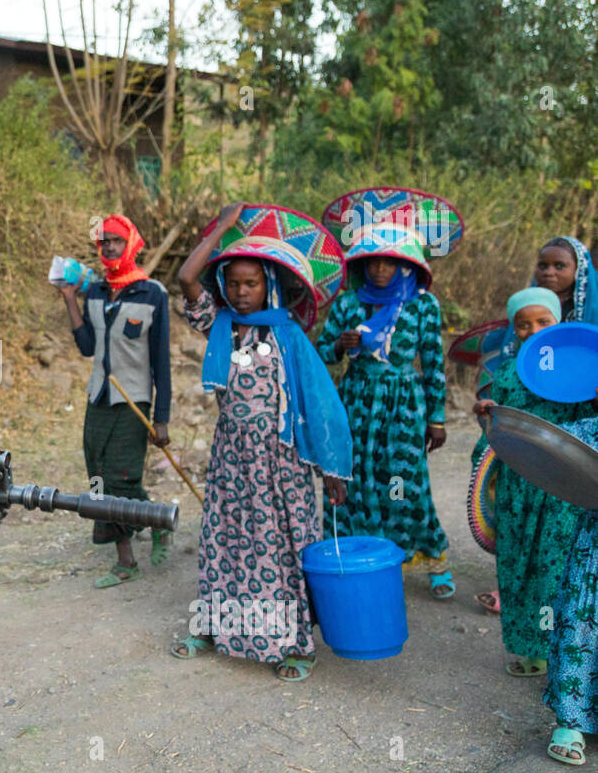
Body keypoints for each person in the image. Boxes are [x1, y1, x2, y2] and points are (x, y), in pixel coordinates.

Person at [169, 202, 351, 682]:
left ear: (269, 283)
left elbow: (320, 401)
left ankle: (294, 644)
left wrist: (331, 468)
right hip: (231, 459)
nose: (241, 292)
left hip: (281, 462)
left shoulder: (288, 335)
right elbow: (189, 277)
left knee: (282, 548)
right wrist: (223, 228)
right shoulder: (220, 326)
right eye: (232, 282)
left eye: (250, 283)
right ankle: (217, 626)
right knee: (225, 540)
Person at [315, 229, 452, 598]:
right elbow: (322, 352)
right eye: (372, 261)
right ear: (360, 265)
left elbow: (434, 363)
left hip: (403, 404)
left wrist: (436, 418)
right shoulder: (347, 304)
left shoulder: (423, 305)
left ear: (405, 265)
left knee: (404, 481)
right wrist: (339, 345)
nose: (379, 269)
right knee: (354, 478)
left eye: (389, 261)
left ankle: (429, 556)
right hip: (356, 399)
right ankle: (361, 558)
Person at [471, 288, 596, 678]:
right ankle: (530, 648)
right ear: (513, 328)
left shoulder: (582, 368)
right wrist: (487, 414)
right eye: (523, 324)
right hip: (518, 485)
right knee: (518, 564)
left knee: (555, 566)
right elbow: (499, 431)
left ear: (560, 323)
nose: (532, 330)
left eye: (544, 322)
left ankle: (558, 651)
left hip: (562, 486)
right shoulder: (508, 374)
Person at [57, 214, 171, 587]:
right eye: (103, 242)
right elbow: (88, 346)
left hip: (134, 400)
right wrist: (70, 299)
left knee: (124, 476)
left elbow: (161, 362)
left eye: (115, 241)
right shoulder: (96, 292)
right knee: (98, 476)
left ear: (132, 245)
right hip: (99, 397)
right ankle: (128, 555)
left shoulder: (152, 293)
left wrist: (162, 419)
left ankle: (154, 521)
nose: (108, 247)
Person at [541, 393, 598, 766]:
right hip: (592, 550)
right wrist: (497, 424)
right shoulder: (591, 430)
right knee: (580, 626)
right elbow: (548, 442)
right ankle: (571, 720)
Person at [531, 236, 597, 327]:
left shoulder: (591, 310)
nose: (549, 272)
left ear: (578, 270)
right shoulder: (526, 306)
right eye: (543, 266)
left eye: (559, 266)